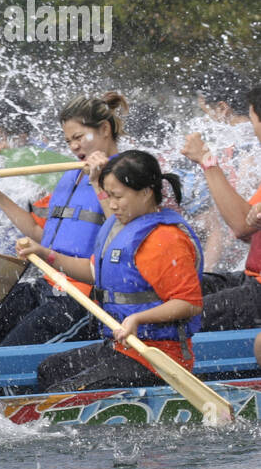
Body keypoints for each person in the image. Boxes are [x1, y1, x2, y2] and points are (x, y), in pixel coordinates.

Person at [0, 92, 131, 349]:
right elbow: (39, 234)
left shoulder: (128, 174)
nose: (73, 147)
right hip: (45, 289)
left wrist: (98, 183)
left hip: (83, 303)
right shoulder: (70, 176)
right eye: (68, 140)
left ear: (105, 129)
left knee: (8, 352)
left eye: (78, 137)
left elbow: (126, 236)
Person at [20, 151, 203, 392]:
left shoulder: (165, 240)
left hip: (159, 358)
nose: (112, 204)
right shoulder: (119, 228)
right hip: (121, 348)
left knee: (64, 392)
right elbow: (91, 271)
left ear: (147, 192)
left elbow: (189, 303)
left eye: (118, 196)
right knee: (51, 369)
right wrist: (45, 254)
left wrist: (138, 318)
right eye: (108, 196)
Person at [181, 85, 261, 331]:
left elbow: (240, 227)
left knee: (181, 317)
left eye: (252, 118)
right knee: (178, 290)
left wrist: (206, 160)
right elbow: (248, 228)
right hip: (250, 280)